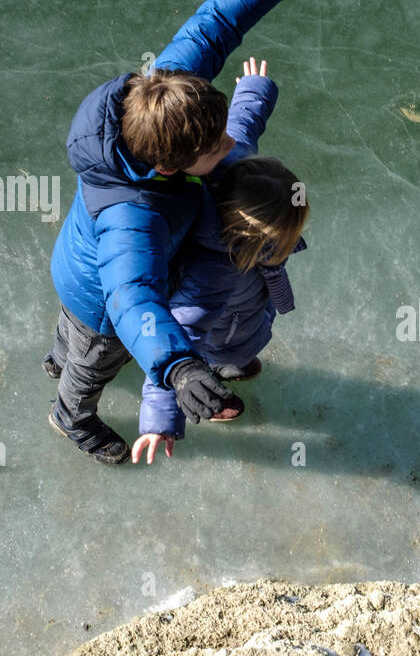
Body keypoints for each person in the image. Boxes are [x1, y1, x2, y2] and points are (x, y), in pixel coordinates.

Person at [44, 0, 340, 464]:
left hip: (85, 263)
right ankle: (70, 415)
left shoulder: (161, 97)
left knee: (74, 342)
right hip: (101, 299)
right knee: (93, 357)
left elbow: (209, 27)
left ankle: (59, 354)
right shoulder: (131, 216)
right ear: (169, 167)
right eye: (214, 149)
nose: (229, 148)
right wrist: (179, 368)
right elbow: (133, 300)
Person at [132, 56, 309, 465]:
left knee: (246, 343)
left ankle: (236, 362)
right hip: (221, 333)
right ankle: (214, 385)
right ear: (254, 242)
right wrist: (159, 419)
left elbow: (243, 123)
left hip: (248, 314)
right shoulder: (211, 274)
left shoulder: (236, 161)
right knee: (216, 356)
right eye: (287, 236)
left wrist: (253, 88)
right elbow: (178, 337)